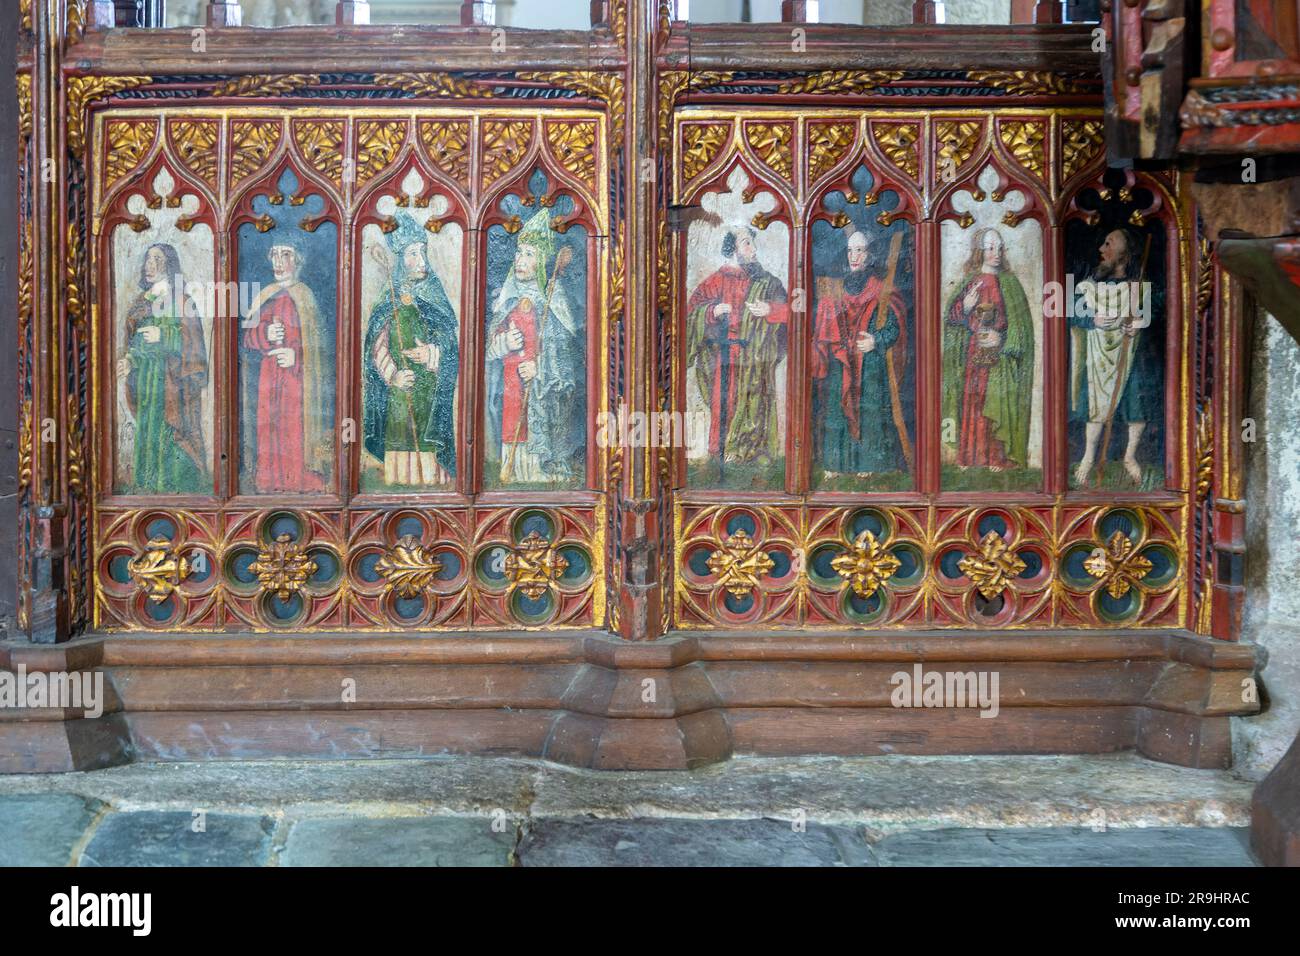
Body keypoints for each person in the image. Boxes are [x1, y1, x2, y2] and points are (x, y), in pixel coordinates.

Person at [485, 210, 585, 484]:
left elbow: (564, 353)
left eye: (529, 254)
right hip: (509, 381)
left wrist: (540, 368)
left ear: (540, 260)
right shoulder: (505, 298)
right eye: (519, 253)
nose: (520, 260)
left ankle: (542, 465)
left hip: (539, 384)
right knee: (510, 417)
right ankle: (512, 469)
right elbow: (488, 350)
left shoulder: (553, 297)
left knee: (538, 415)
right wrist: (504, 343)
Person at [362, 214, 459, 486]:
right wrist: (393, 375)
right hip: (400, 390)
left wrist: (432, 354)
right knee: (400, 436)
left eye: (423, 252)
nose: (421, 261)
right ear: (399, 259)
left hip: (430, 387)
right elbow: (377, 345)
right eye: (413, 254)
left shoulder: (433, 292)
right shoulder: (388, 295)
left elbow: (449, 342)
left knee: (428, 442)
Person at [685, 224, 790, 472]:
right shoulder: (718, 279)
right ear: (733, 248)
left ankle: (753, 451)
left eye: (752, 243)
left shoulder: (768, 282)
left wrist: (770, 310)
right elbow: (691, 312)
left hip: (756, 354)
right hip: (724, 355)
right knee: (725, 402)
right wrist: (712, 311)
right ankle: (721, 452)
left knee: (757, 401)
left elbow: (790, 312)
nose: (752, 249)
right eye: (746, 243)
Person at [813, 230, 908, 479]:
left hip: (870, 363)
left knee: (871, 411)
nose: (854, 256)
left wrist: (877, 340)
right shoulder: (838, 288)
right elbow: (827, 322)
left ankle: (870, 464)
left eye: (860, 250)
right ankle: (837, 464)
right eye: (850, 250)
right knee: (837, 409)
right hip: (842, 360)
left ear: (870, 254)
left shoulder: (883, 289)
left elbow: (895, 326)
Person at [117, 242, 208, 493]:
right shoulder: (141, 302)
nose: (151, 265)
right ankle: (147, 485)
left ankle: (177, 486)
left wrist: (165, 336)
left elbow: (195, 346)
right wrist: (130, 359)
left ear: (169, 265)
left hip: (172, 382)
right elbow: (136, 339)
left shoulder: (182, 301)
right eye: (148, 259)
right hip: (146, 379)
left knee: (171, 430)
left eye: (157, 260)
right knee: (148, 427)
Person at [242, 235, 330, 492]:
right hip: (268, 377)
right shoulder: (265, 296)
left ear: (298, 260)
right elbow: (247, 338)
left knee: (294, 430)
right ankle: (270, 483)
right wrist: (264, 335)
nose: (279, 262)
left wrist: (297, 357)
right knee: (269, 429)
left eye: (286, 255)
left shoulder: (305, 297)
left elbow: (320, 350)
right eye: (275, 255)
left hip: (297, 380)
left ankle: (300, 483)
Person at [941, 227, 1034, 471]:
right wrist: (965, 307)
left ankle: (996, 457)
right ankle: (971, 457)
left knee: (996, 401)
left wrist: (1001, 340)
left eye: (1000, 248)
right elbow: (952, 320)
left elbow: (1021, 329)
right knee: (974, 401)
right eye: (990, 248)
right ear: (979, 251)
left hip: (1000, 358)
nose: (996, 253)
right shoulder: (970, 282)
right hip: (973, 353)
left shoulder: (1011, 284)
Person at [1070, 227, 1156, 485]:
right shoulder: (1087, 287)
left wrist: (1141, 322)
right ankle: (1088, 457)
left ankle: (1130, 456)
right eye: (1103, 244)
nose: (1102, 250)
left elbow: (1157, 311)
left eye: (1109, 244)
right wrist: (1092, 318)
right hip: (1097, 357)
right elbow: (1072, 314)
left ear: (1125, 253)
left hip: (1130, 356)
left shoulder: (1139, 287)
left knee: (1135, 406)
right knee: (1095, 407)